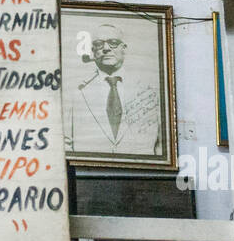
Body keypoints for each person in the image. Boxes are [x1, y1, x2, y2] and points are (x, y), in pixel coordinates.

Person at [66, 23, 162, 156]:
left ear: (124, 48)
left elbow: (161, 144)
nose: (106, 48)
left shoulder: (149, 90)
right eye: (99, 44)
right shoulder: (76, 91)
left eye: (113, 42)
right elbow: (65, 144)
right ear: (92, 50)